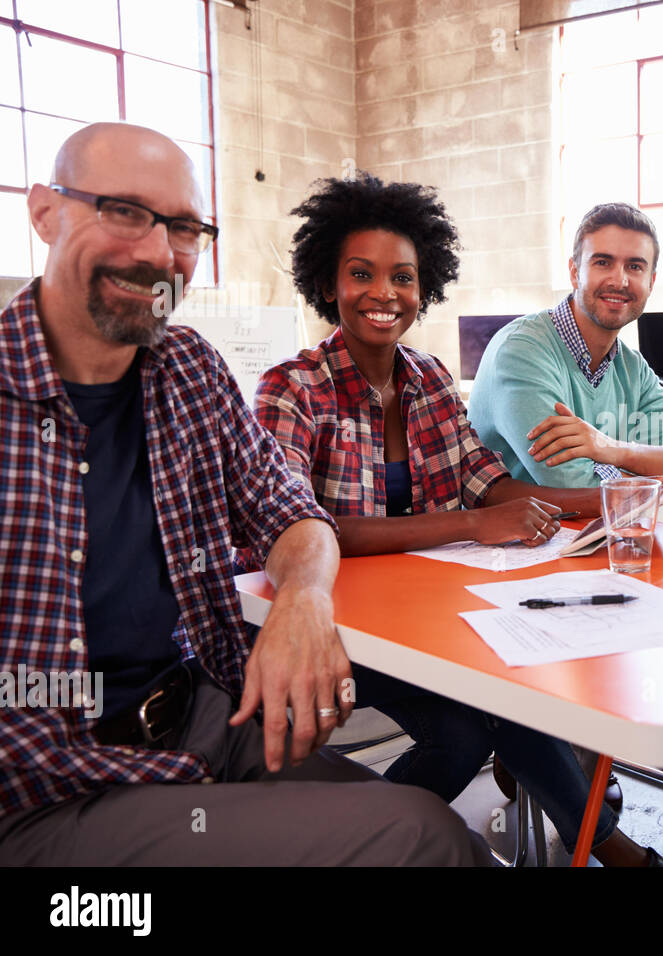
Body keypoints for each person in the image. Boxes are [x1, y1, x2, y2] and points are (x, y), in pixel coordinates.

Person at [0, 123, 489, 865]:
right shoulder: (293, 382)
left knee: (432, 802)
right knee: (425, 840)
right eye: (123, 211)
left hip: (203, 724)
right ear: (43, 211)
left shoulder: (188, 369)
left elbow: (293, 513)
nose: (159, 252)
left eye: (186, 228)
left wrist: (304, 599)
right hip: (50, 787)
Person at [252, 173, 663, 866]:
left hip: (422, 614)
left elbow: (490, 484)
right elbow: (299, 528)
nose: (385, 293)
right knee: (474, 724)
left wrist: (614, 506)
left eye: (403, 277)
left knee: (500, 693)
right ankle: (605, 844)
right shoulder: (292, 388)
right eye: (362, 274)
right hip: (327, 620)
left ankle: (388, 842)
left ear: (424, 288)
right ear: (328, 284)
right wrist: (470, 526)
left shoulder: (432, 379)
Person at [467, 202, 663, 494]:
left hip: (613, 532)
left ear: (651, 282)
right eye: (603, 262)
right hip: (519, 539)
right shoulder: (521, 351)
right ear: (575, 272)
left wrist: (610, 449)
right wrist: (656, 477)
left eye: (635, 266)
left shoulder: (632, 368)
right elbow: (569, 481)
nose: (620, 280)